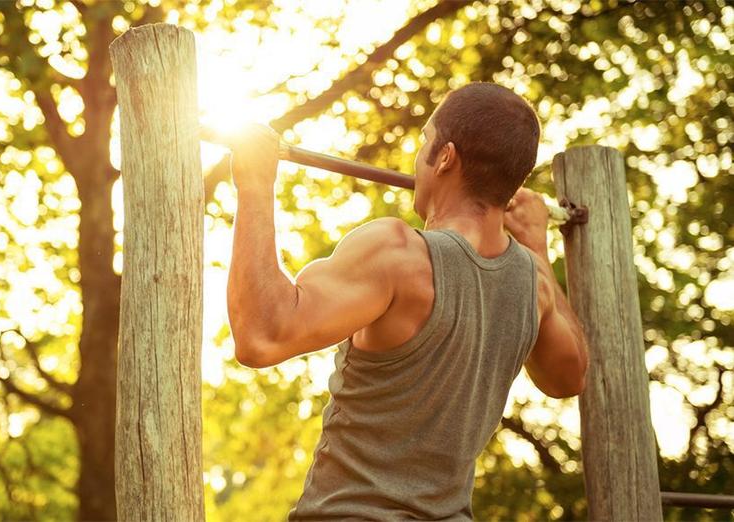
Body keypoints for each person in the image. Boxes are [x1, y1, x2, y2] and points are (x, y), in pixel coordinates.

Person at [224, 81, 589, 521]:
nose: (418, 160)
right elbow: (571, 376)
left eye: (425, 144)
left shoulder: (398, 252)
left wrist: (255, 183)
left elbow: (260, 335)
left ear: (446, 157)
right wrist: (539, 250)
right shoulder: (534, 284)